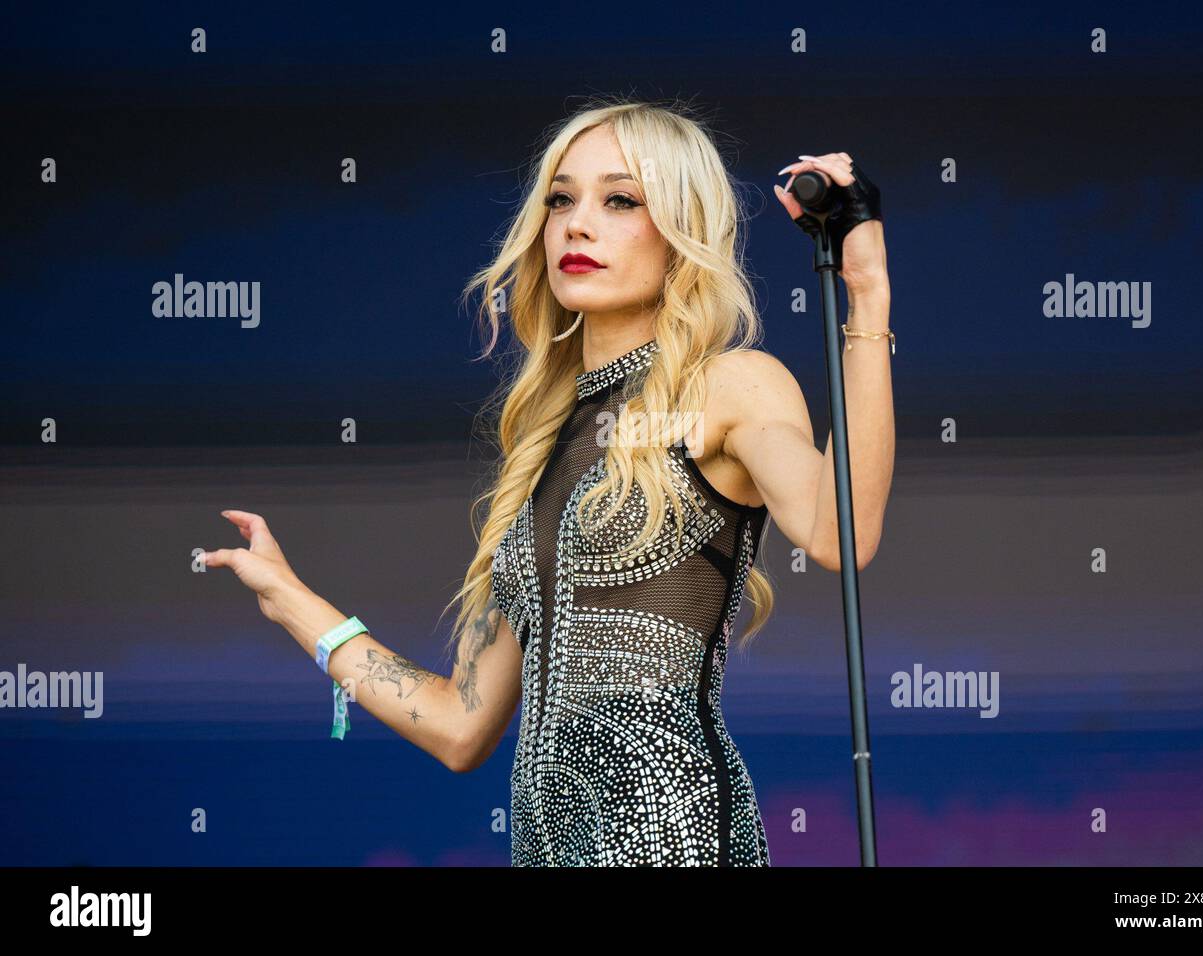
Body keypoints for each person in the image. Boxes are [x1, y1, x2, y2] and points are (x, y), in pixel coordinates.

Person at [200, 97, 895, 866]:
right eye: (561, 199)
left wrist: (867, 295)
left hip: (673, 835)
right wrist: (290, 599)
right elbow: (460, 726)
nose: (577, 223)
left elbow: (840, 531)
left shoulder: (728, 386)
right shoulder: (542, 446)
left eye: (620, 199)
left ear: (682, 231)